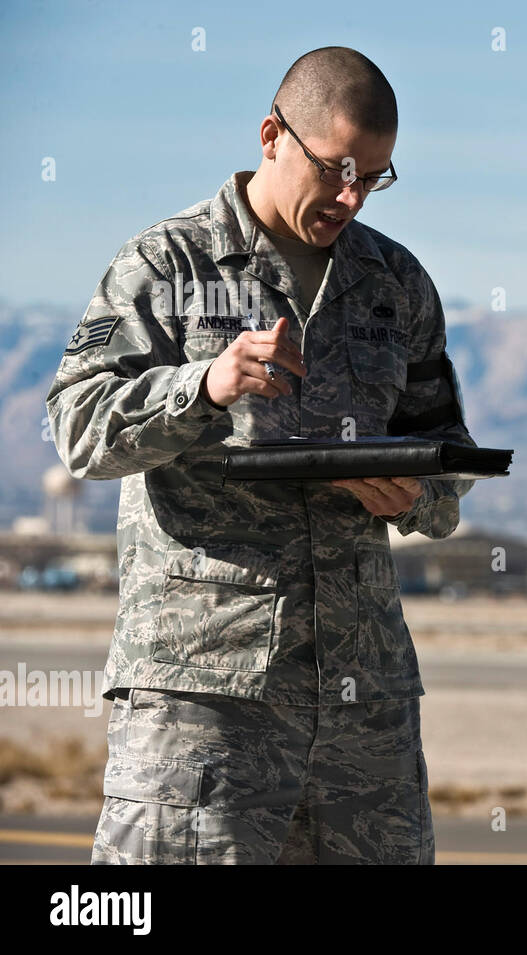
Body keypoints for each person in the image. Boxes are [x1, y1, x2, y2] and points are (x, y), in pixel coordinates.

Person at [45, 46, 474, 864]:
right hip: (204, 704)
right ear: (273, 134)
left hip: (362, 713)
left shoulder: (395, 282)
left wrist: (413, 494)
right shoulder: (165, 267)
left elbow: (445, 460)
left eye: (375, 177)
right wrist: (202, 386)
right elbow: (77, 427)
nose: (351, 196)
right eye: (338, 168)